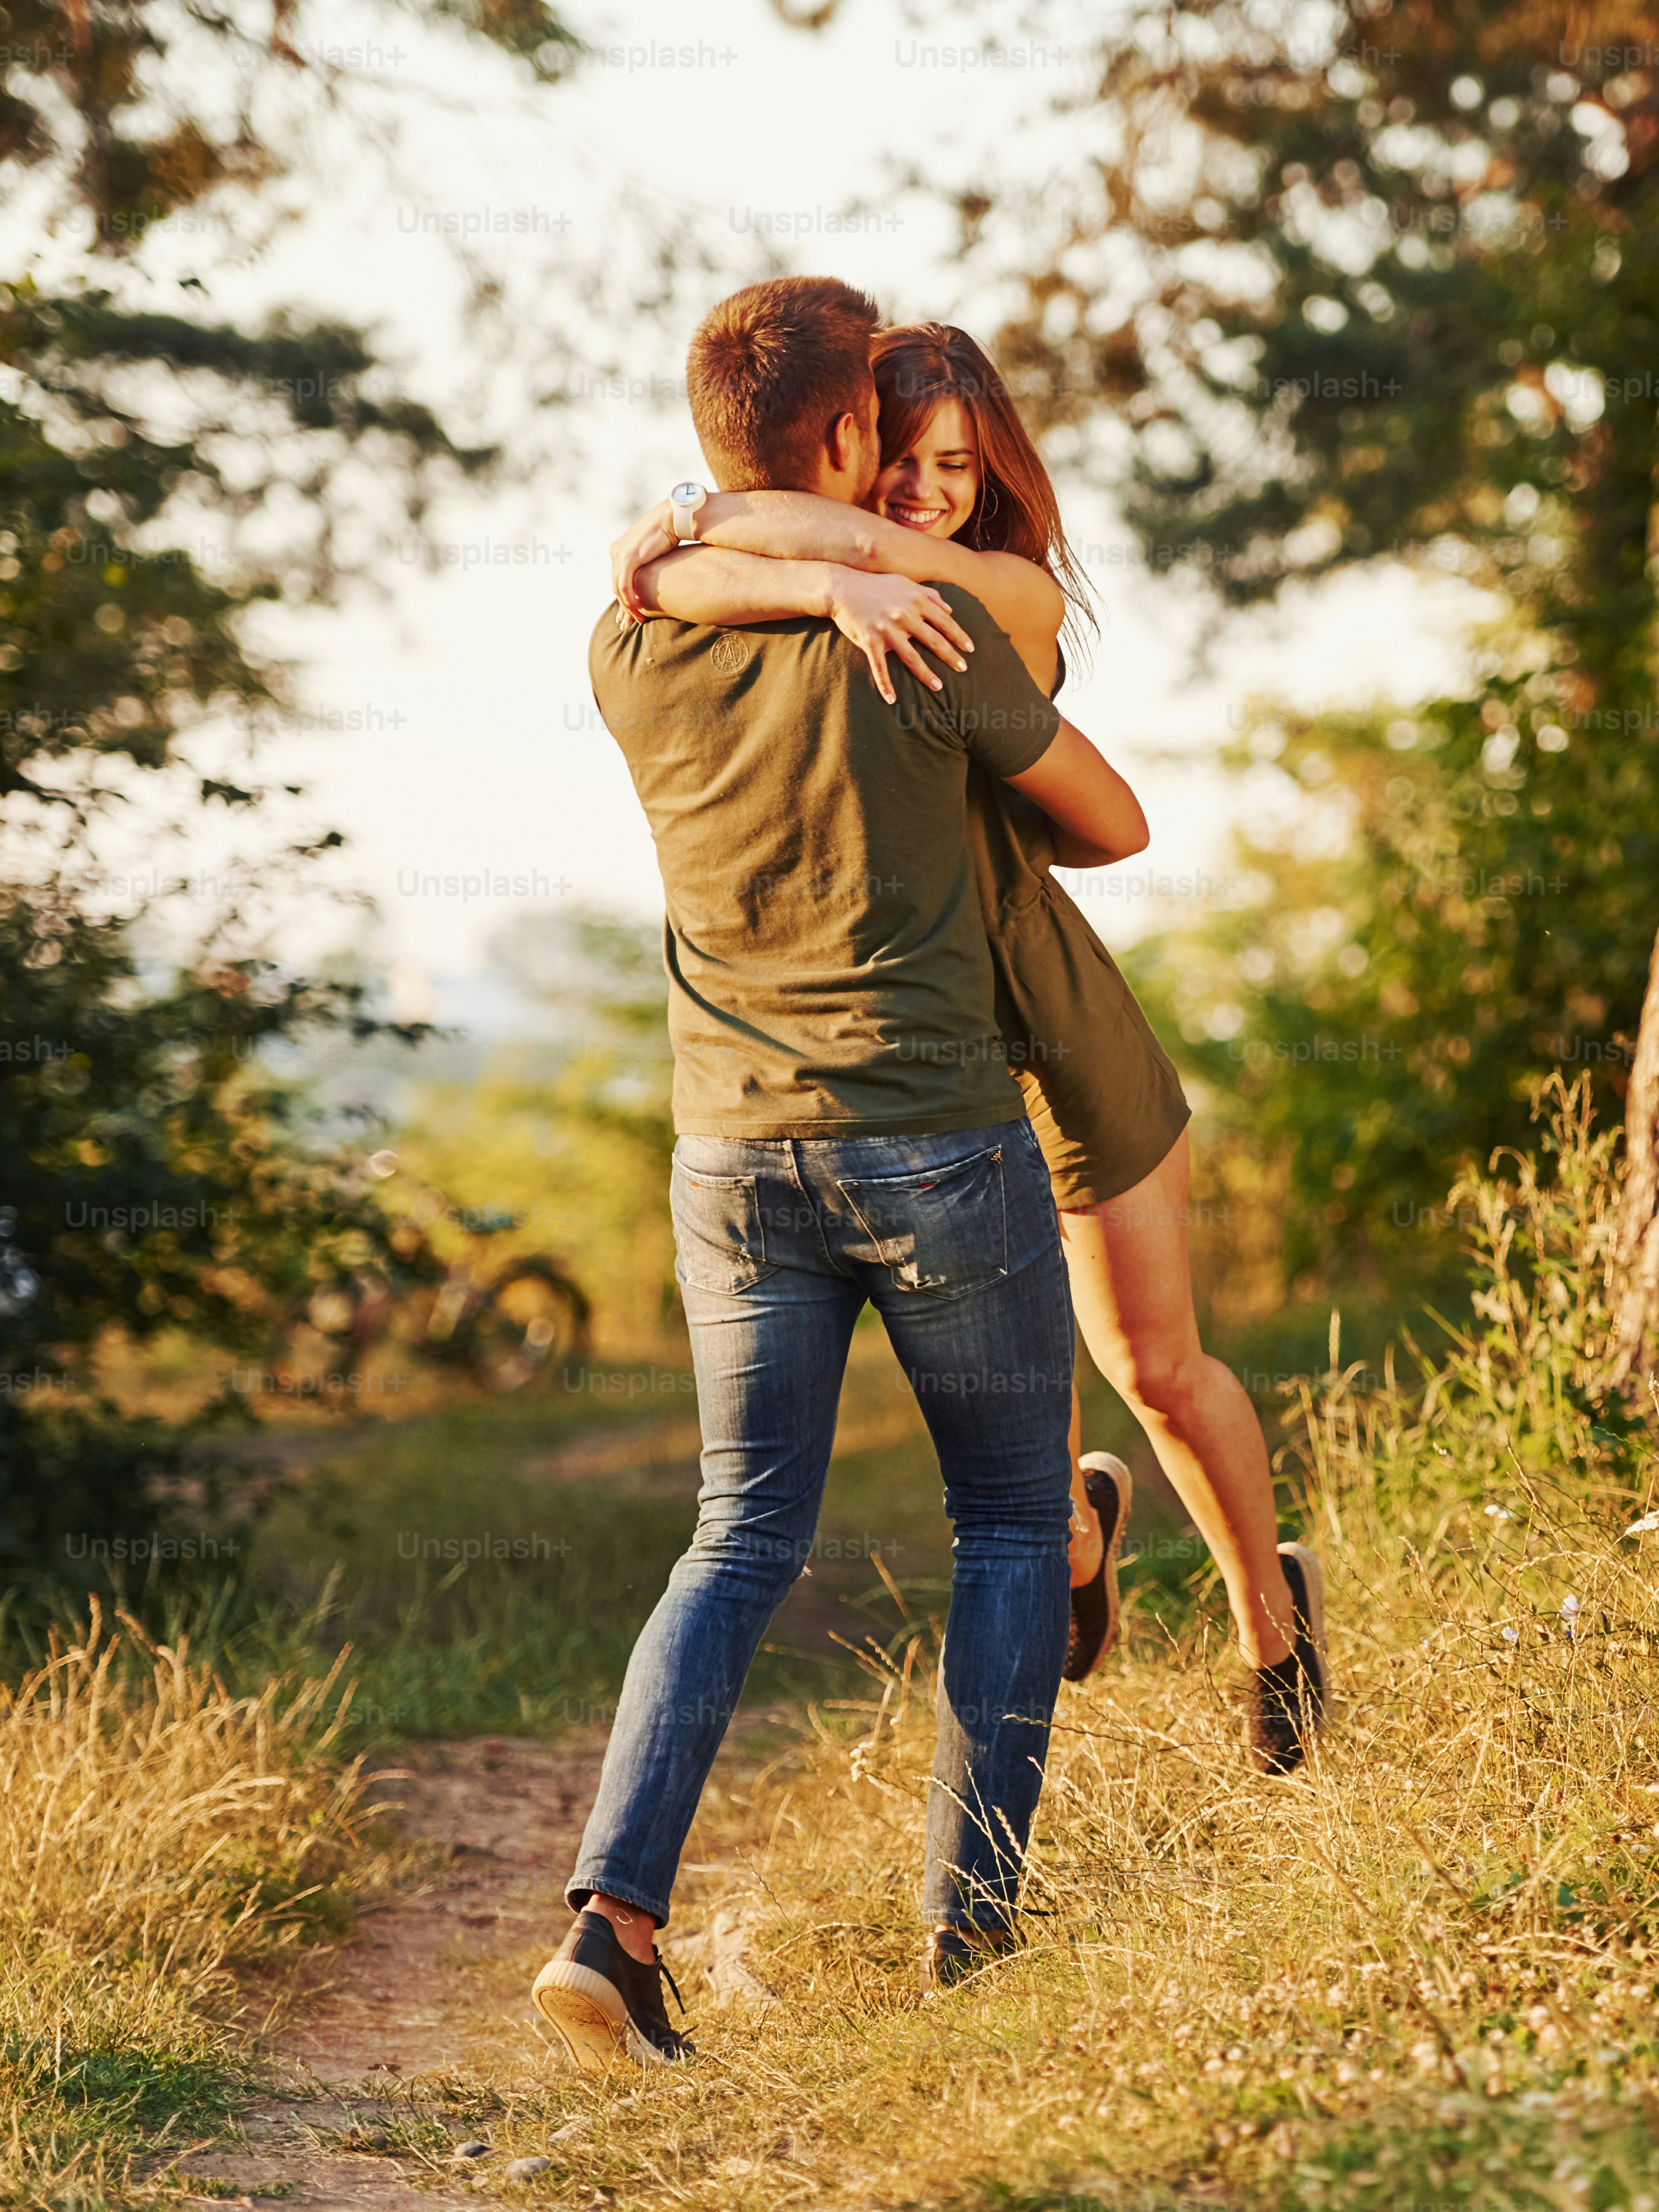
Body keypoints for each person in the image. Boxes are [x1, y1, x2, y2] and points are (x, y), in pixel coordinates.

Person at [535, 276, 1151, 2066]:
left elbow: (667, 566)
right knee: (1016, 1521)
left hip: (731, 1154)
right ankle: (974, 1931)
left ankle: (611, 1926)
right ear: (848, 436)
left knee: (740, 1533)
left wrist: (748, 551)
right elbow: (1116, 824)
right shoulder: (929, 637)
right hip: (936, 1137)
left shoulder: (630, 644)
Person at [603, 322, 1330, 1778]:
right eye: (906, 457)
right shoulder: (821, 601)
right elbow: (666, 581)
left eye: (962, 467)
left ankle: (1277, 1632)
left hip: (1051, 1019)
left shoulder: (1001, 600)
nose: (928, 492)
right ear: (851, 450)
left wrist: (705, 520)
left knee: (1157, 1366)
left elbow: (723, 559)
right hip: (919, 1065)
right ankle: (1077, 1535)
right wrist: (710, 544)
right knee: (1016, 1457)